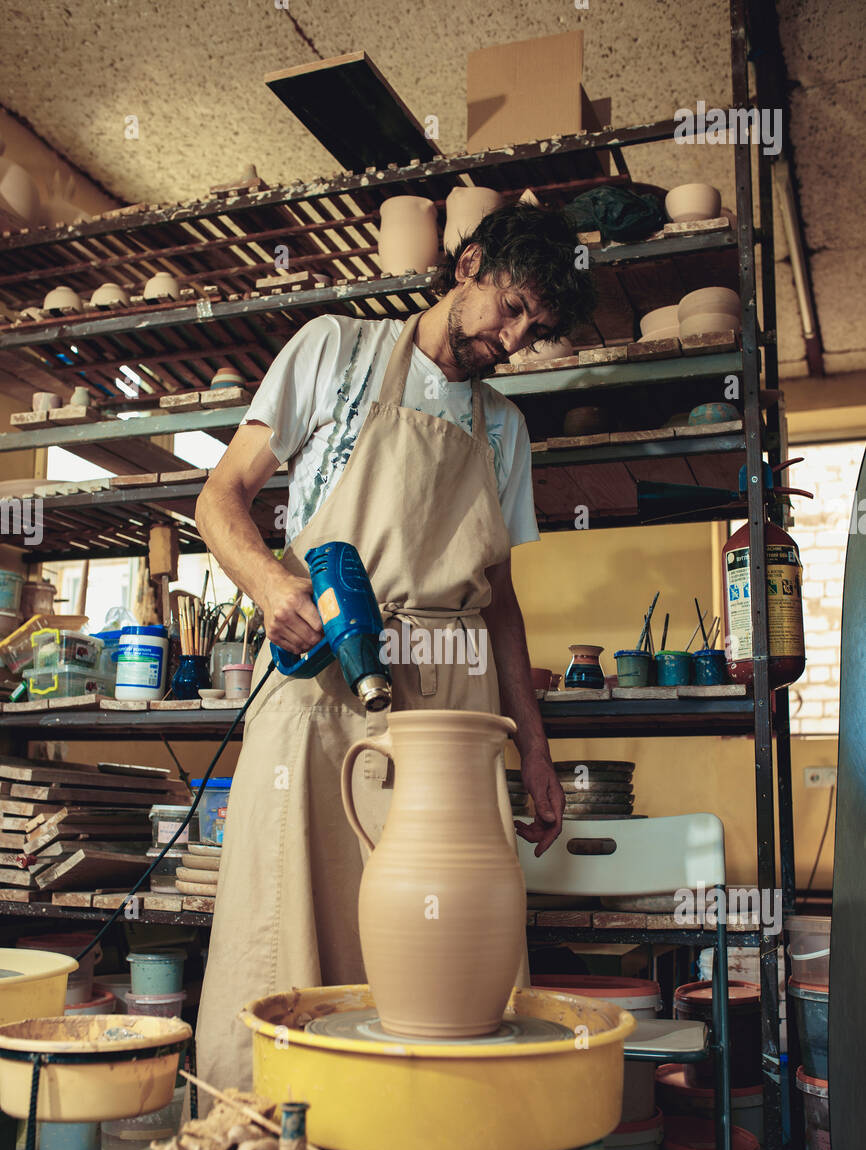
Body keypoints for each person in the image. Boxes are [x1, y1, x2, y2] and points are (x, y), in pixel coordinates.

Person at [195, 203, 597, 1092]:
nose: (518, 337)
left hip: (451, 706)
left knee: (449, 955)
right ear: (469, 267)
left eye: (539, 328)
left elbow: (498, 598)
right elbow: (220, 497)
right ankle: (278, 1133)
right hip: (323, 682)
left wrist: (533, 743)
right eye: (514, 307)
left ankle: (436, 1138)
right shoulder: (334, 350)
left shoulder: (503, 429)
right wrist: (271, 587)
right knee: (292, 932)